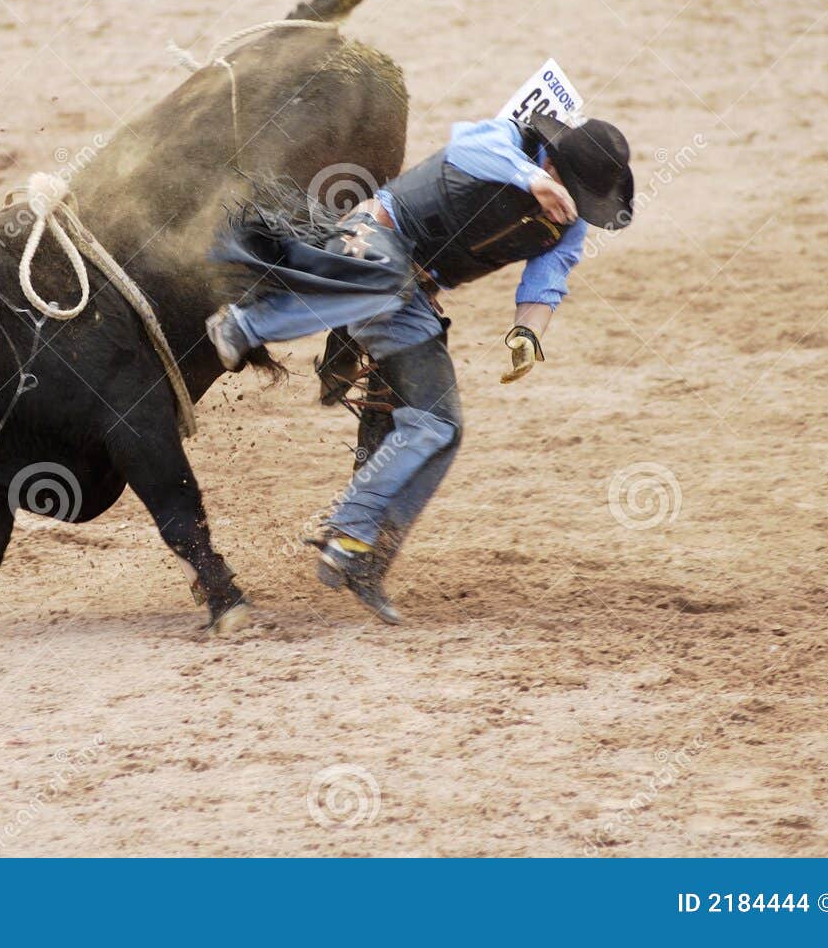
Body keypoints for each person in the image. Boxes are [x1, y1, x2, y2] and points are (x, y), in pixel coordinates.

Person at [206, 111, 635, 623]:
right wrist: (535, 181)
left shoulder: (564, 229)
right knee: (384, 283)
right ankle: (244, 325)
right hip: (371, 244)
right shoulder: (506, 143)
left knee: (440, 425)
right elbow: (464, 147)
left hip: (408, 297)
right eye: (576, 192)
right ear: (555, 162)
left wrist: (527, 335)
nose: (576, 211)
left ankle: (355, 543)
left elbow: (548, 280)